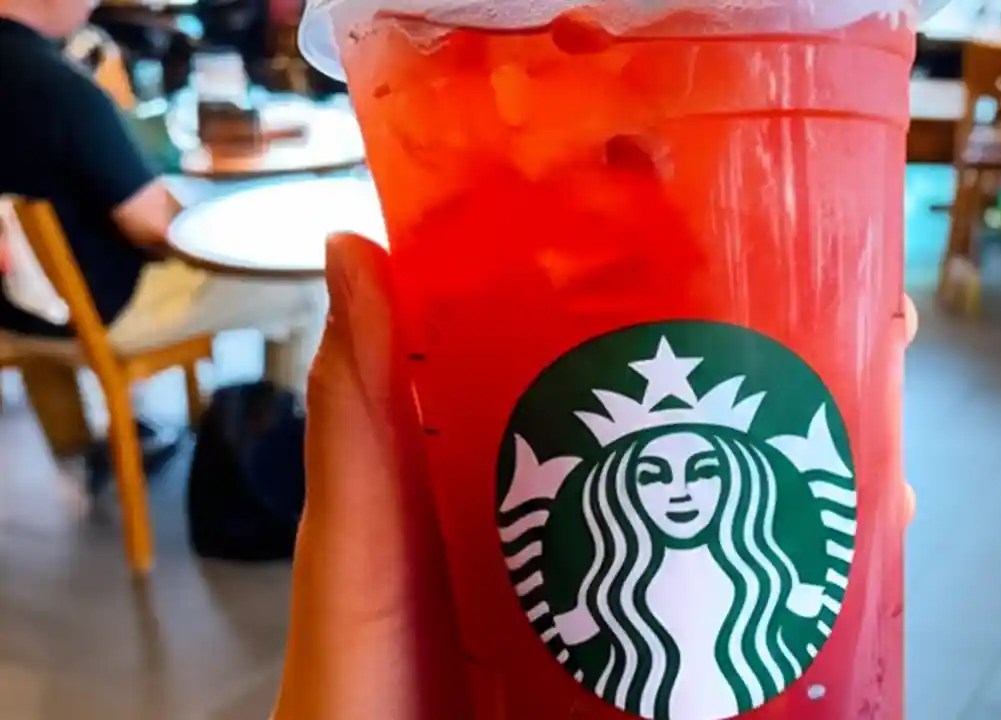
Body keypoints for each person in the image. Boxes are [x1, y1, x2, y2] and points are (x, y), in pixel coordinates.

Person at [275, 232, 919, 719]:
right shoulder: (592, 611)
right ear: (618, 491)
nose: (680, 490)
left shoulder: (785, 595)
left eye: (703, 469)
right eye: (651, 475)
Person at [0, 0, 323, 404]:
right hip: (100, 313)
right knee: (308, 291)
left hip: (14, 313)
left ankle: (75, 448)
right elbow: (154, 226)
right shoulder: (62, 87)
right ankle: (283, 446)